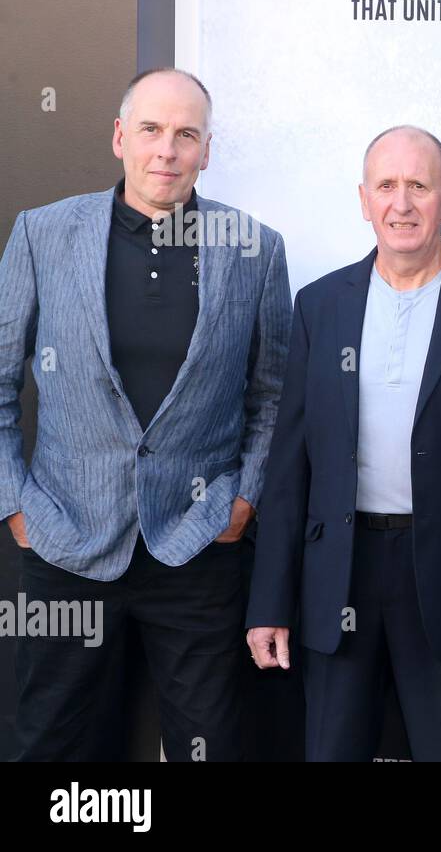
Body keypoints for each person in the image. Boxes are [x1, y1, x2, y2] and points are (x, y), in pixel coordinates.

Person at [0, 68, 290, 761]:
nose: (167, 149)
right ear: (119, 138)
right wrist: (16, 505)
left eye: (186, 134)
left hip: (197, 541)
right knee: (49, 743)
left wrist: (243, 501)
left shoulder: (256, 249)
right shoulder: (43, 234)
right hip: (66, 538)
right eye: (152, 130)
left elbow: (274, 396)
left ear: (206, 150)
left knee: (211, 744)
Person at [245, 125, 441, 761]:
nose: (401, 204)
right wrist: (269, 601)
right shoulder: (319, 305)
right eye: (386, 186)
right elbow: (289, 466)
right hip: (338, 576)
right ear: (363, 199)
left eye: (418, 186)